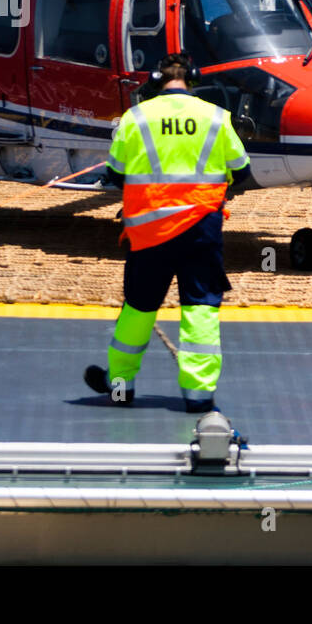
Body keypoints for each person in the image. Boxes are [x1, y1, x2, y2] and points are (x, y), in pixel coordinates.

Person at [84, 53, 253, 413]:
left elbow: (114, 174)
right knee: (201, 308)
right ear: (192, 78)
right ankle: (198, 395)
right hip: (201, 231)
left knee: (139, 308)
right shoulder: (216, 118)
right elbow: (241, 172)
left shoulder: (136, 118)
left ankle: (120, 387)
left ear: (155, 81)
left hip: (149, 231)